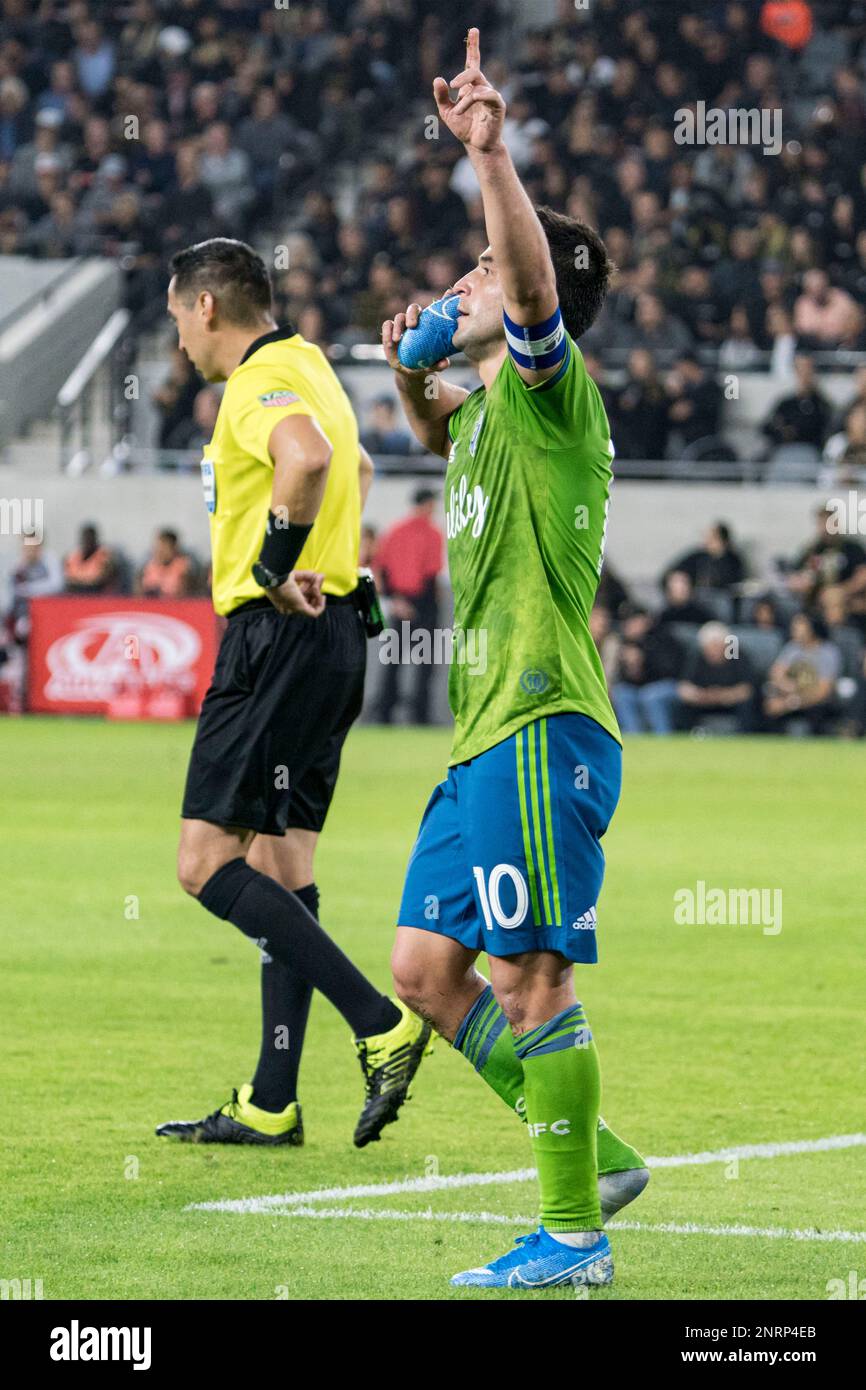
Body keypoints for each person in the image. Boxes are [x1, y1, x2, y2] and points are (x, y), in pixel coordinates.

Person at [381, 30, 647, 1292]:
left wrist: (492, 157)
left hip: (541, 719)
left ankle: (574, 1239)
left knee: (527, 972)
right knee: (424, 970)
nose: (468, 278)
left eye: (481, 266)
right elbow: (431, 415)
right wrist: (407, 363)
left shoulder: (550, 393)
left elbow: (533, 296)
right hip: (481, 731)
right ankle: (588, 1148)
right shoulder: (489, 418)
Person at [157, 237, 428, 1152]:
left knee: (204, 863)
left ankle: (379, 1023)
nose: (178, 342)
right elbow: (356, 470)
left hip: (277, 636)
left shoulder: (253, 385)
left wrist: (275, 567)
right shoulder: (311, 362)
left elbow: (308, 462)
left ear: (204, 308)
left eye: (175, 318)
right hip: (341, 630)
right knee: (282, 865)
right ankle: (273, 1099)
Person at [373, 487, 444, 725]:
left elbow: (382, 569)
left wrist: (395, 600)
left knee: (393, 661)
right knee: (424, 663)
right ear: (425, 505)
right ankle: (419, 716)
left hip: (399, 600)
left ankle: (385, 714)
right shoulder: (433, 534)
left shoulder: (394, 530)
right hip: (422, 602)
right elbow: (432, 575)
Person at [763, 611, 841, 733]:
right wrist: (786, 688)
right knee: (768, 703)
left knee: (817, 712)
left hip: (813, 702)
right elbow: (776, 674)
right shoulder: (792, 648)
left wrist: (790, 702)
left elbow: (822, 691)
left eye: (799, 625)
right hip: (790, 695)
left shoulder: (828, 653)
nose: (793, 628)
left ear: (812, 628)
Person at [676, 622, 757, 733]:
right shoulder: (696, 658)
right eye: (710, 647)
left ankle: (744, 737)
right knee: (684, 706)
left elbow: (746, 690)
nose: (714, 651)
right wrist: (700, 695)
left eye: (717, 646)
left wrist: (722, 696)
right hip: (703, 701)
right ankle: (685, 736)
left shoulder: (737, 656)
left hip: (730, 701)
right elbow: (684, 688)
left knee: (747, 706)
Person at [663, 522, 745, 593]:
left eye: (712, 538)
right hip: (695, 597)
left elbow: (735, 582)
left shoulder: (733, 560)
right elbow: (676, 571)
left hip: (722, 597)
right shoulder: (698, 557)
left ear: (722, 540)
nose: (706, 541)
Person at [136, 529, 194, 597]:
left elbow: (184, 594)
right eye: (158, 548)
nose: (160, 552)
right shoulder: (150, 567)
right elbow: (140, 594)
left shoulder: (183, 567)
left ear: (174, 548)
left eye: (165, 548)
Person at [63, 523, 116, 593]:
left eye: (89, 538)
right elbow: (68, 577)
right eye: (85, 538)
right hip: (76, 592)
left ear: (95, 539)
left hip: (97, 593)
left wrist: (81, 580)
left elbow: (101, 579)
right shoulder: (74, 556)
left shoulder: (104, 556)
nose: (87, 542)